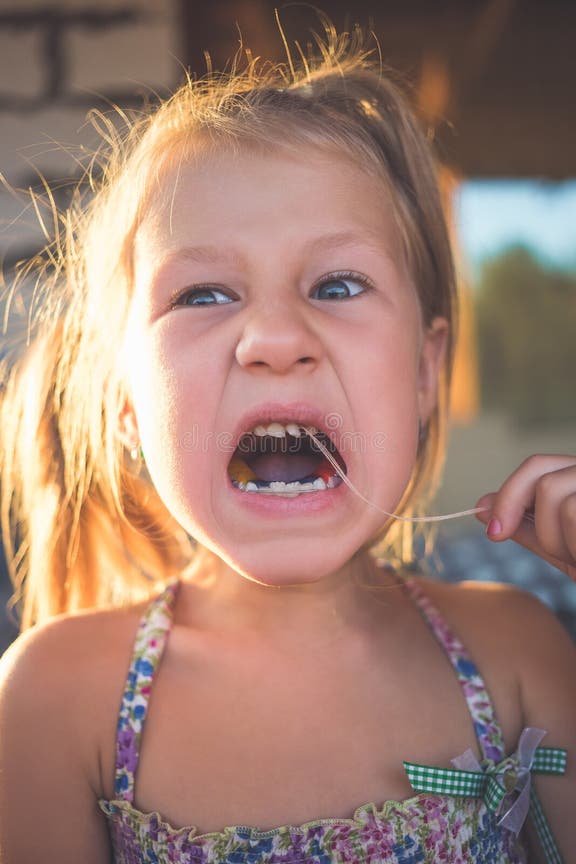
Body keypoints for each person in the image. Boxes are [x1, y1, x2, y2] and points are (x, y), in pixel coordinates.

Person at [0, 26, 574, 864]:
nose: (273, 336)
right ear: (124, 402)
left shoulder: (516, 651)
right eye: (203, 293)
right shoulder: (54, 697)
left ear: (425, 370)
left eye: (337, 285)